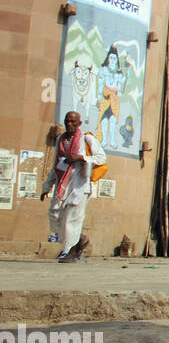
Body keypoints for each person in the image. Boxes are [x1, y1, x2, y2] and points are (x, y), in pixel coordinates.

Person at [41, 110, 106, 263]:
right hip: (62, 184)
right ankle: (79, 239)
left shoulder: (86, 138)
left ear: (79, 123)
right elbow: (55, 165)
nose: (69, 124)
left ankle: (68, 251)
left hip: (80, 185)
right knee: (55, 217)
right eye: (67, 121)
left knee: (72, 220)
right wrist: (46, 187)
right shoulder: (60, 140)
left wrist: (80, 157)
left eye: (73, 122)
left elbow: (101, 158)